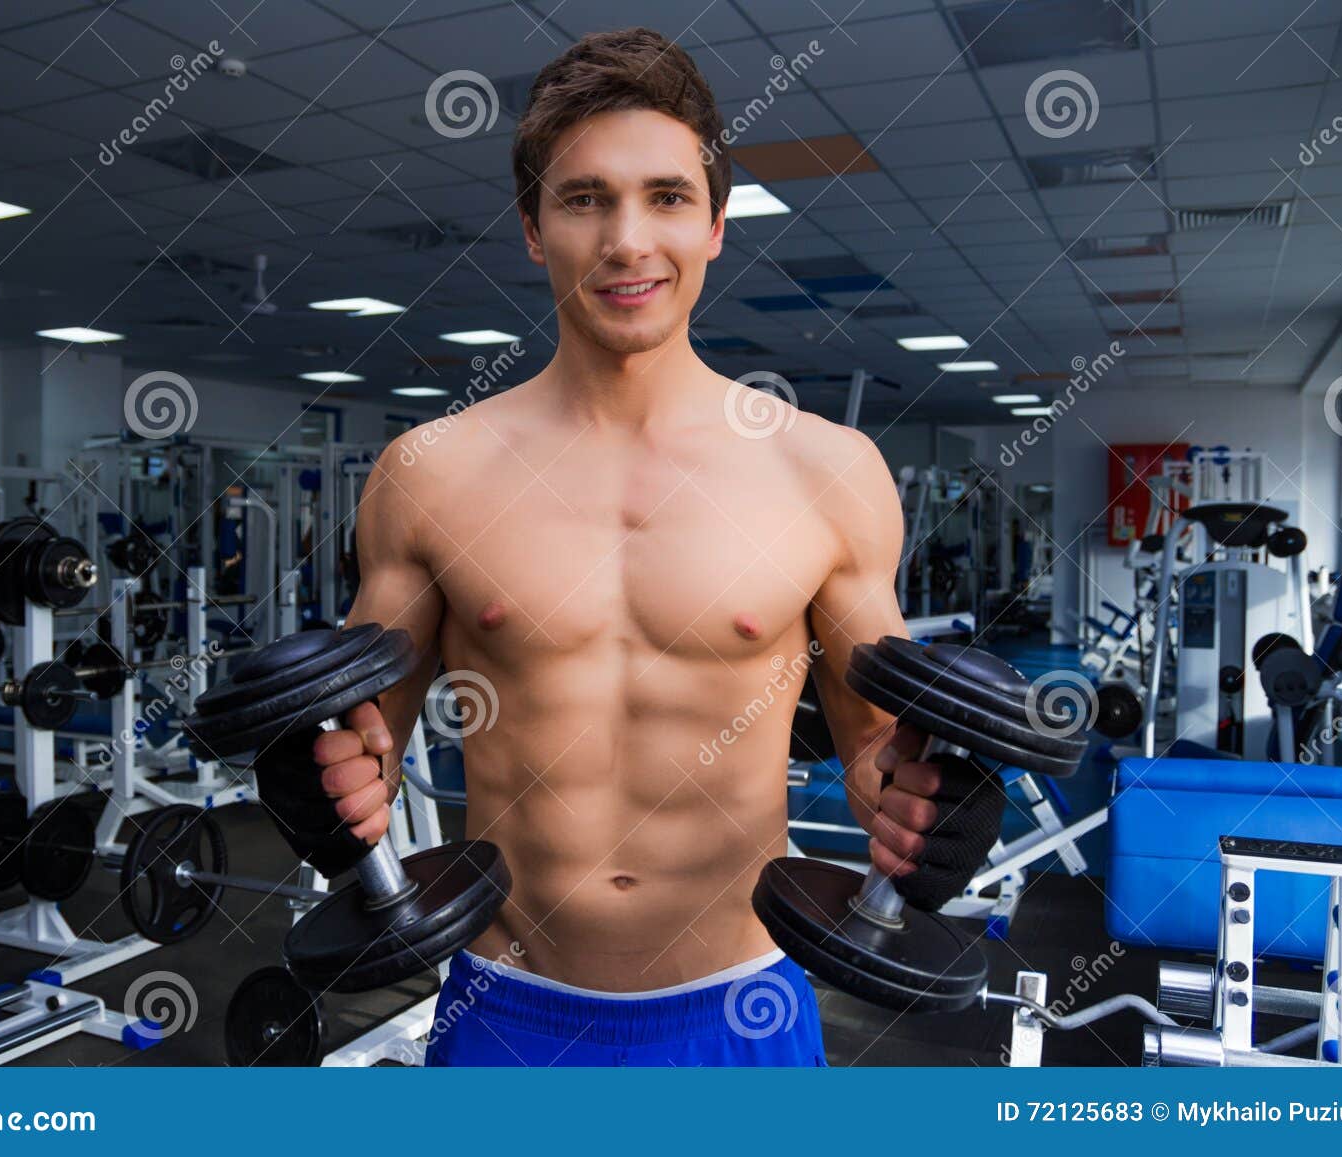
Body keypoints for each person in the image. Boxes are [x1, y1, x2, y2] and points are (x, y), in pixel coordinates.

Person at [314, 27, 998, 1066]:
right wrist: (318, 776)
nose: (627, 241)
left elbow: (877, 753)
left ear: (716, 224)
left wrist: (925, 809)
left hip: (739, 1010)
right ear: (533, 228)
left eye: (667, 196)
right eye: (584, 198)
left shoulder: (827, 471)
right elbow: (366, 740)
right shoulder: (430, 473)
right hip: (505, 1010)